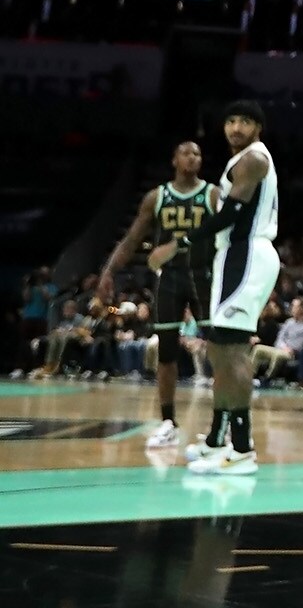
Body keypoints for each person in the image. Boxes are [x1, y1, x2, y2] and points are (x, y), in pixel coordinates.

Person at [149, 102, 281, 477]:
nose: (236, 127)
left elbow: (230, 214)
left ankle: (242, 449)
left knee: (234, 351)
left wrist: (177, 244)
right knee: (220, 349)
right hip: (232, 256)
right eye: (231, 120)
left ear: (258, 127)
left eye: (245, 121)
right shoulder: (240, 160)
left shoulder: (253, 160)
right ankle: (218, 440)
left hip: (248, 253)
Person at [98, 141, 219, 448]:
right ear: (174, 159)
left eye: (198, 153)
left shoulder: (213, 194)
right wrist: (108, 272)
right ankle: (168, 422)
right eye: (187, 152)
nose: (193, 157)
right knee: (166, 353)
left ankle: (224, 423)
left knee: (219, 351)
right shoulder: (157, 197)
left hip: (203, 275)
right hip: (169, 279)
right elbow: (132, 238)